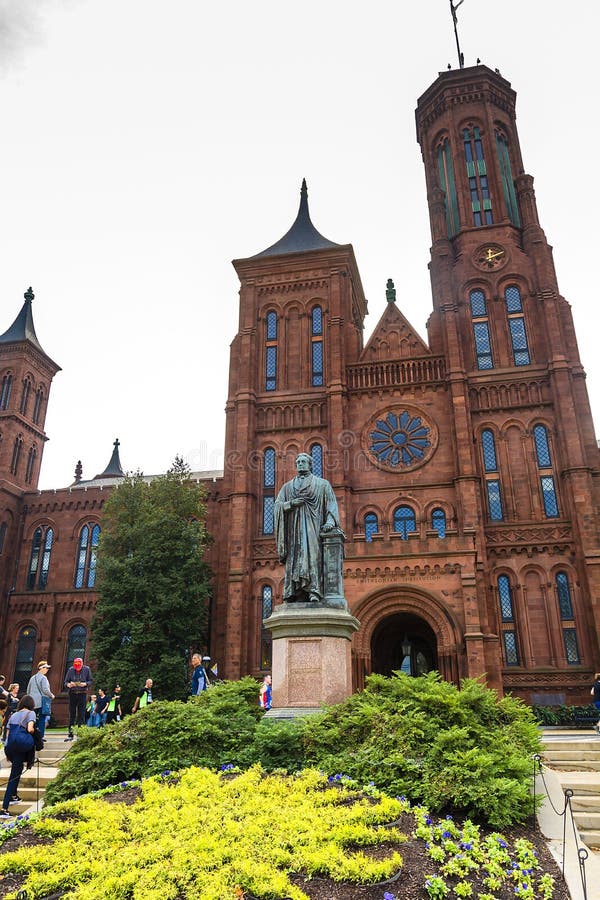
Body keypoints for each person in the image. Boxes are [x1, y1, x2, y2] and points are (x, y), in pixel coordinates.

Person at [274, 452, 340, 602]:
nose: (300, 464)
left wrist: (330, 522)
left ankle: (314, 591)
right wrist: (291, 504)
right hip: (294, 531)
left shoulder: (322, 484)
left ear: (310, 464)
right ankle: (295, 591)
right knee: (295, 559)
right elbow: (277, 506)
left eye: (303, 462)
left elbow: (331, 505)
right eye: (298, 462)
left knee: (312, 557)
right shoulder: (287, 487)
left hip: (314, 530)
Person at [0, 695, 36, 818]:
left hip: (11, 747)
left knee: (17, 769)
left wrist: (8, 752)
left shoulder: (13, 715)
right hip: (22, 747)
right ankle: (4, 808)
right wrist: (32, 732)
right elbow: (30, 729)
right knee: (13, 776)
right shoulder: (31, 714)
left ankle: (14, 796)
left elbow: (8, 733)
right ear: (31, 704)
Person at [64, 657, 93, 740]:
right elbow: (65, 682)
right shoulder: (70, 670)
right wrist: (68, 685)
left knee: (81, 714)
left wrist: (85, 684)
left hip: (82, 694)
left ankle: (80, 735)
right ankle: (70, 734)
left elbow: (90, 681)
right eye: (76, 667)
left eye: (79, 667)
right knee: (72, 714)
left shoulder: (87, 669)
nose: (77, 669)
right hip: (72, 694)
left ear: (82, 664)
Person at [27, 660, 55, 739]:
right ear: (41, 668)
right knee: (42, 719)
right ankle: (40, 737)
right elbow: (45, 690)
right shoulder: (43, 678)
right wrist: (51, 695)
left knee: (32, 719)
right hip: (42, 702)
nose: (47, 669)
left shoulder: (32, 678)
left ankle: (32, 735)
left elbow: (28, 690)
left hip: (32, 702)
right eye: (46, 668)